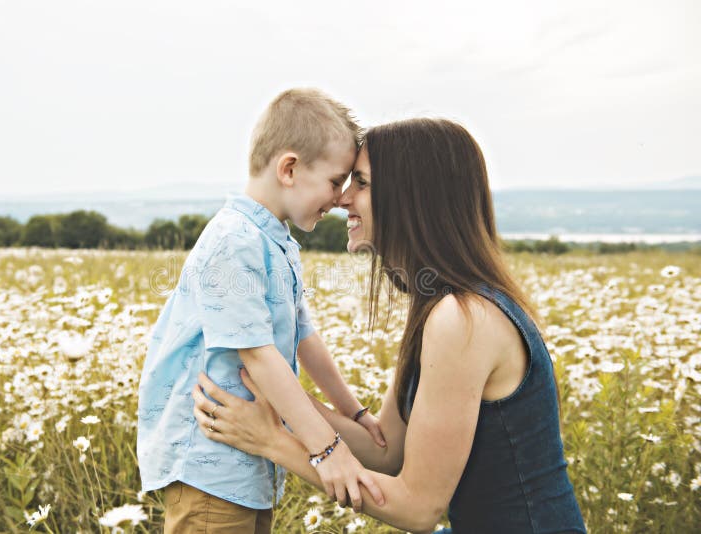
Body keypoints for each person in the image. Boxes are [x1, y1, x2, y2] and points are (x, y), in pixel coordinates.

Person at [192, 118, 587, 533]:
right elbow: (387, 453)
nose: (343, 198)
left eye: (361, 182)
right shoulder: (438, 307)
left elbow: (417, 509)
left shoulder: (464, 319)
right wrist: (272, 397)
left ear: (411, 196)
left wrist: (273, 441)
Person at [136, 88, 387, 534]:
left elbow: (305, 338)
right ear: (289, 169)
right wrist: (329, 451)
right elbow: (259, 356)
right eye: (335, 181)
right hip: (206, 464)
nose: (339, 198)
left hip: (245, 461)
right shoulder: (234, 241)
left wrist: (355, 414)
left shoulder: (275, 241)